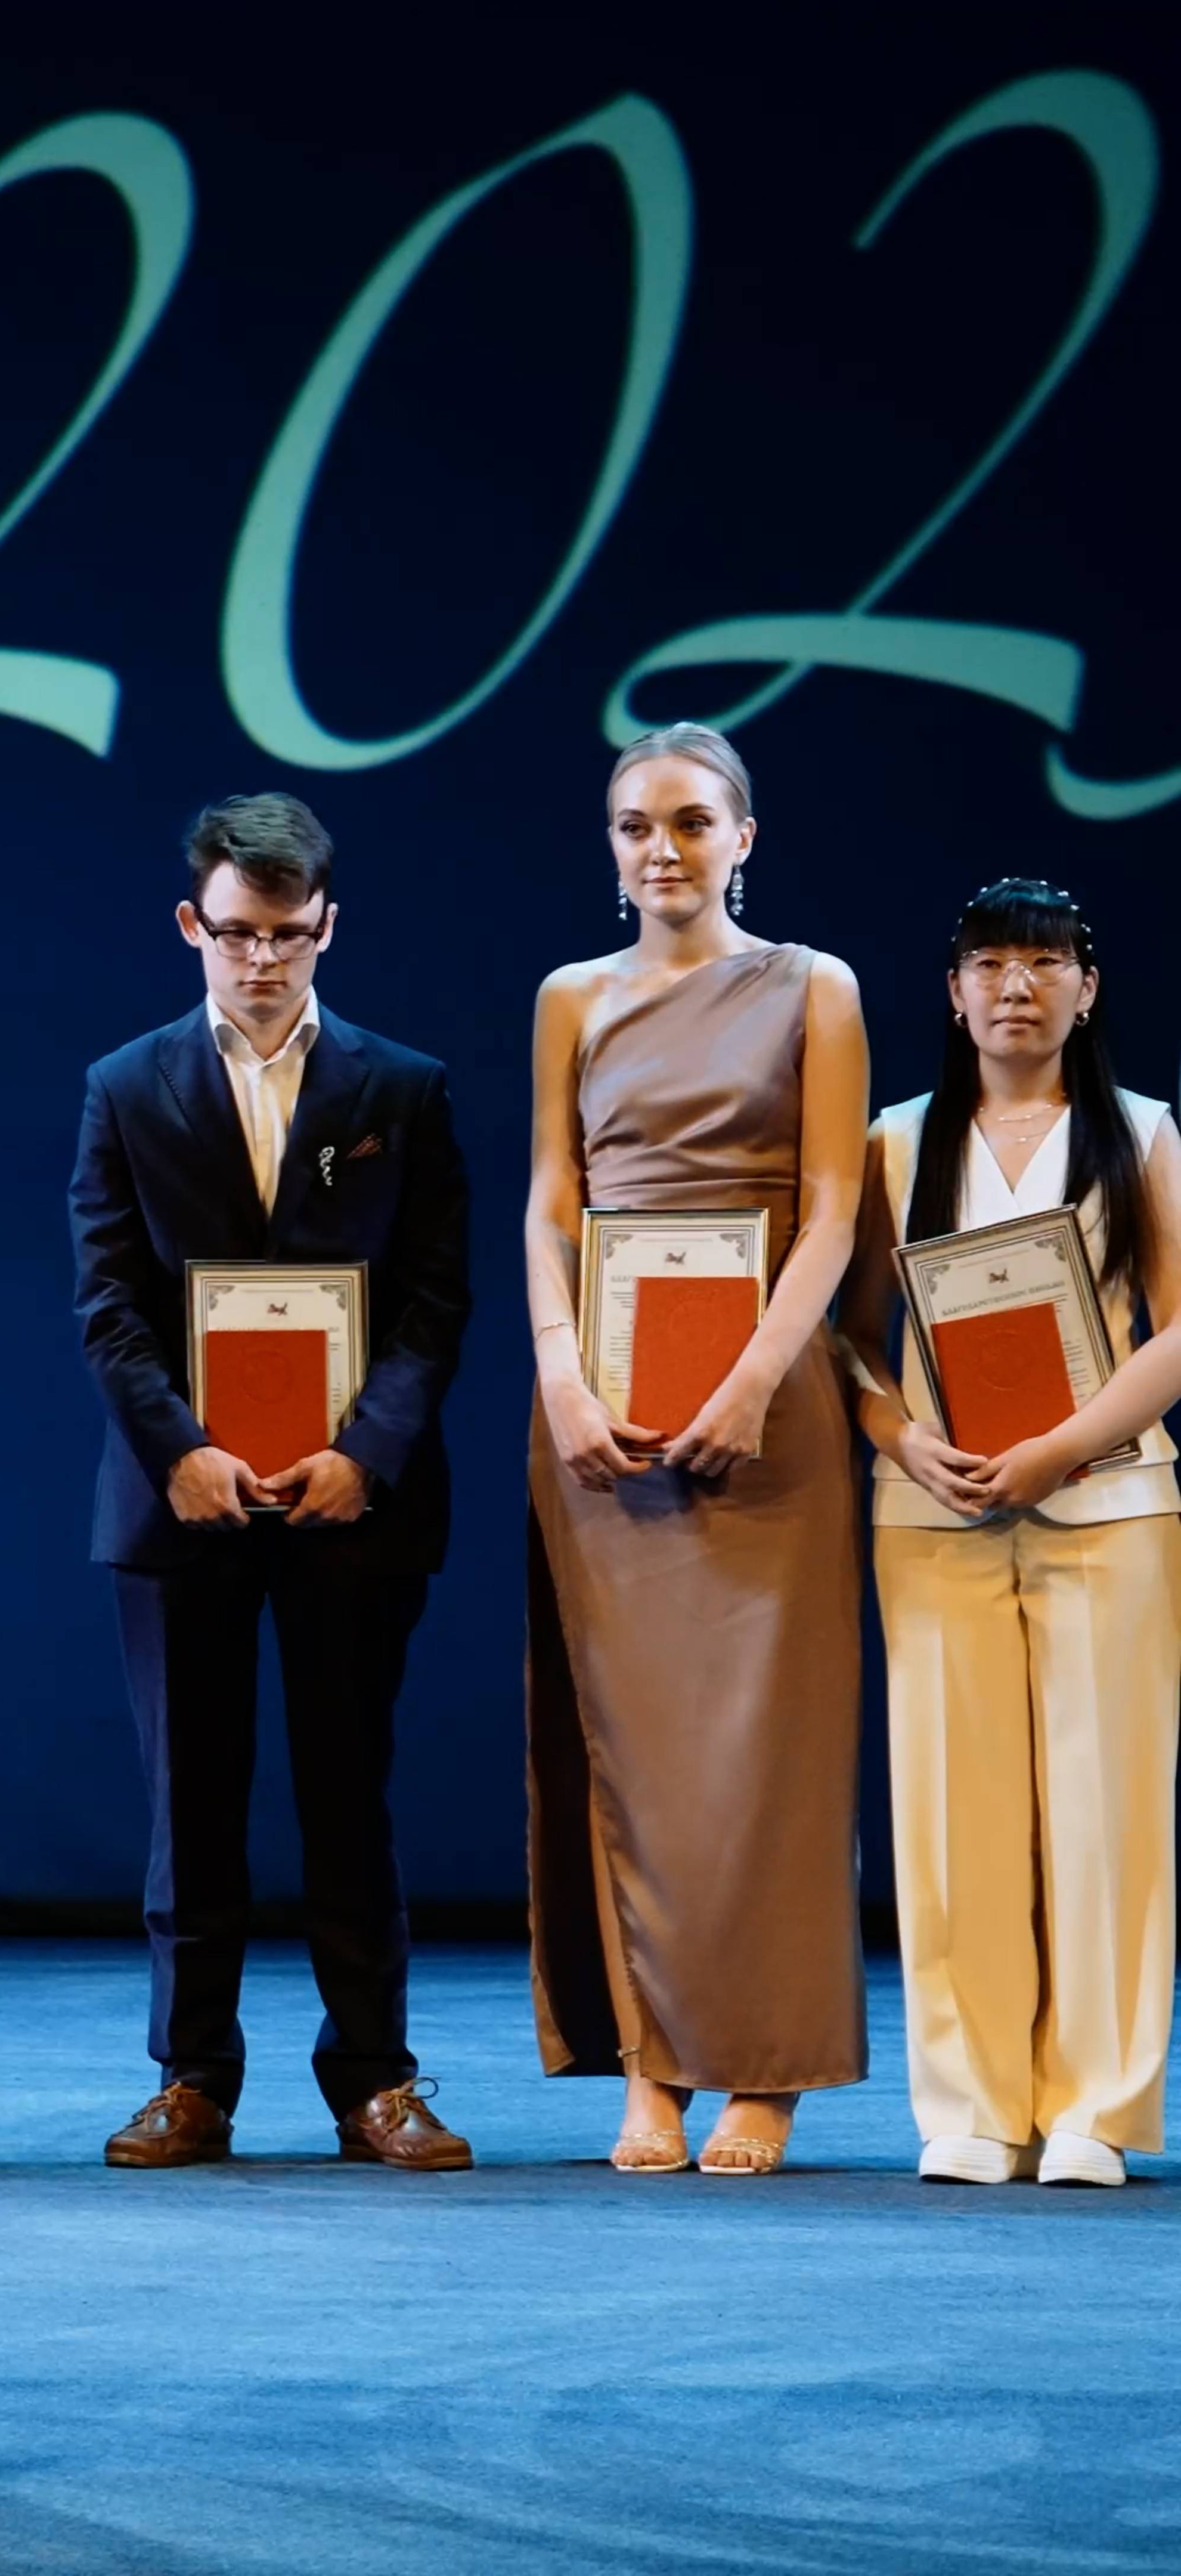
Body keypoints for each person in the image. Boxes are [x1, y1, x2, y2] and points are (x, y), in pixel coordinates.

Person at [67, 795, 475, 2174]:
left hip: (350, 1501)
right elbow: (108, 1304)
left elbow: (435, 1303)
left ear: (328, 927)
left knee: (351, 1795)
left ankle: (375, 2081)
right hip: (179, 1499)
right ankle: (192, 2080)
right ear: (193, 923)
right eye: (239, 933)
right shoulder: (125, 1086)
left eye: (288, 935)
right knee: (191, 1804)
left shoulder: (402, 1088)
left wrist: (367, 1454)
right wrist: (178, 1450)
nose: (262, 960)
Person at [525, 724, 870, 2175]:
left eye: (688, 822)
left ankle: (764, 2068)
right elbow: (553, 1201)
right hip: (604, 1414)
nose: (660, 849)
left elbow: (834, 1207)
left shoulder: (815, 986)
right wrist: (560, 1373)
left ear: (743, 838)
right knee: (634, 1754)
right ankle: (652, 2061)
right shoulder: (571, 996)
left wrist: (754, 1382)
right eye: (635, 826)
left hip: (769, 1413)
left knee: (768, 1757)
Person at [841, 879, 1180, 2187]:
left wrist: (1060, 1444)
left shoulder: (1142, 1133)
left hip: (1111, 1501)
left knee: (1109, 1816)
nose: (1017, 986)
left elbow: (1176, 1327)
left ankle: (1097, 2108)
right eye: (990, 964)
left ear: (1088, 989)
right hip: (935, 1507)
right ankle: (973, 2107)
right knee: (950, 1811)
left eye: (1045, 963)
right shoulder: (896, 1140)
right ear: (954, 992)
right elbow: (846, 1339)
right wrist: (895, 1436)